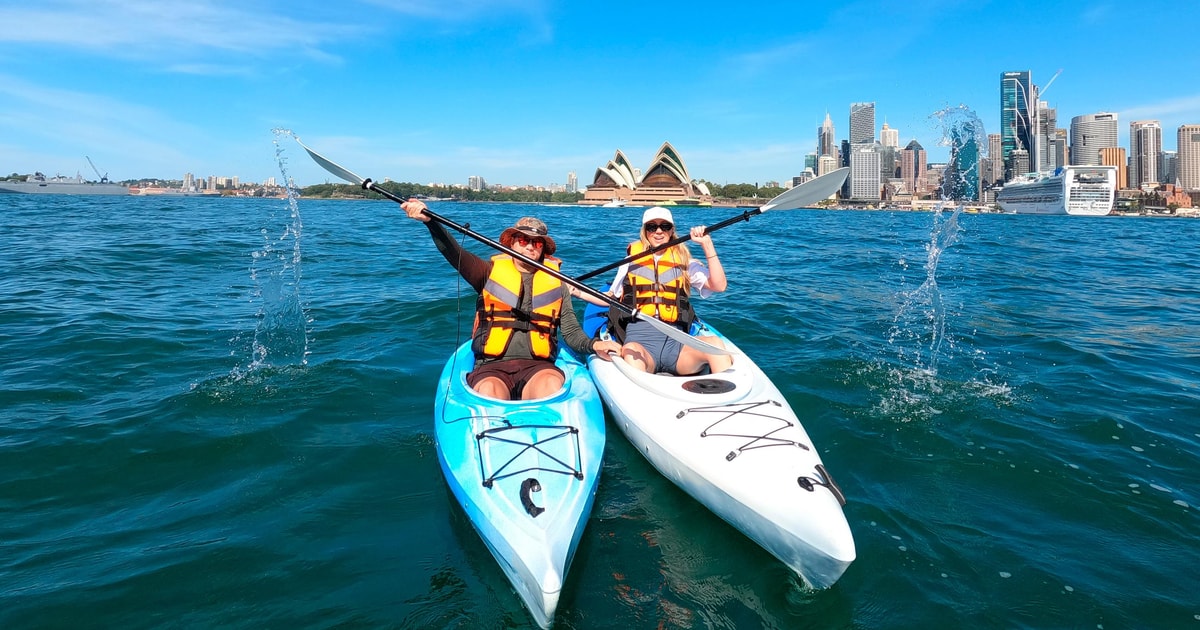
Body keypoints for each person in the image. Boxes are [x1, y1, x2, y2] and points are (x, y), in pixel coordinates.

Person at [402, 200, 621, 400]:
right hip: (491, 366)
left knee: (551, 384)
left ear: (543, 249)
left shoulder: (558, 284)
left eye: (537, 243)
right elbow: (454, 252)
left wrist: (595, 345)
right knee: (490, 390)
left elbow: (572, 333)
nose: (529, 246)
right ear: (512, 243)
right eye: (523, 240)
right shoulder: (486, 273)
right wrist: (431, 223)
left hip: (539, 367)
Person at [604, 206, 732, 375]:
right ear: (645, 231)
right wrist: (577, 292)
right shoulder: (630, 261)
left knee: (715, 345)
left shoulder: (685, 261)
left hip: (677, 344)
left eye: (664, 226)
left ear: (672, 230)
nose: (658, 231)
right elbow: (611, 297)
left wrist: (707, 245)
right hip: (641, 343)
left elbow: (719, 286)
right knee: (631, 351)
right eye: (652, 227)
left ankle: (726, 397)